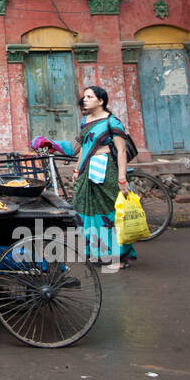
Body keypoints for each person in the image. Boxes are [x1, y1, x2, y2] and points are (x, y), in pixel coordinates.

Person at [69, 86, 137, 273]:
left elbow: (121, 151)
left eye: (90, 97)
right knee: (86, 210)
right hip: (87, 172)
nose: (85, 99)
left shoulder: (111, 122)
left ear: (101, 101)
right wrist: (77, 168)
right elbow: (84, 146)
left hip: (108, 172)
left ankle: (120, 256)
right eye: (84, 96)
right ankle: (97, 252)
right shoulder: (85, 120)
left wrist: (122, 179)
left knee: (110, 214)